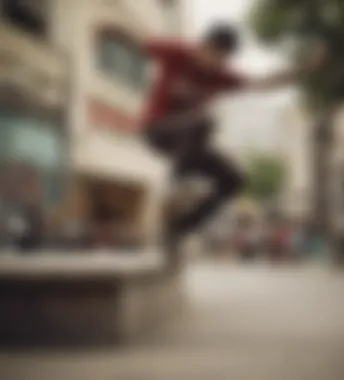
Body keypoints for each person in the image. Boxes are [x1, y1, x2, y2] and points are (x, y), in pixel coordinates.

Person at [127, 23, 327, 249]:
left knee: (233, 179)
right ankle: (178, 184)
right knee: (203, 121)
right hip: (157, 130)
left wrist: (303, 69)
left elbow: (263, 83)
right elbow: (138, 39)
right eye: (211, 54)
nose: (214, 63)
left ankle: (180, 228)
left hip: (189, 144)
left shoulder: (222, 77)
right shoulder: (177, 52)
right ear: (202, 47)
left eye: (221, 59)